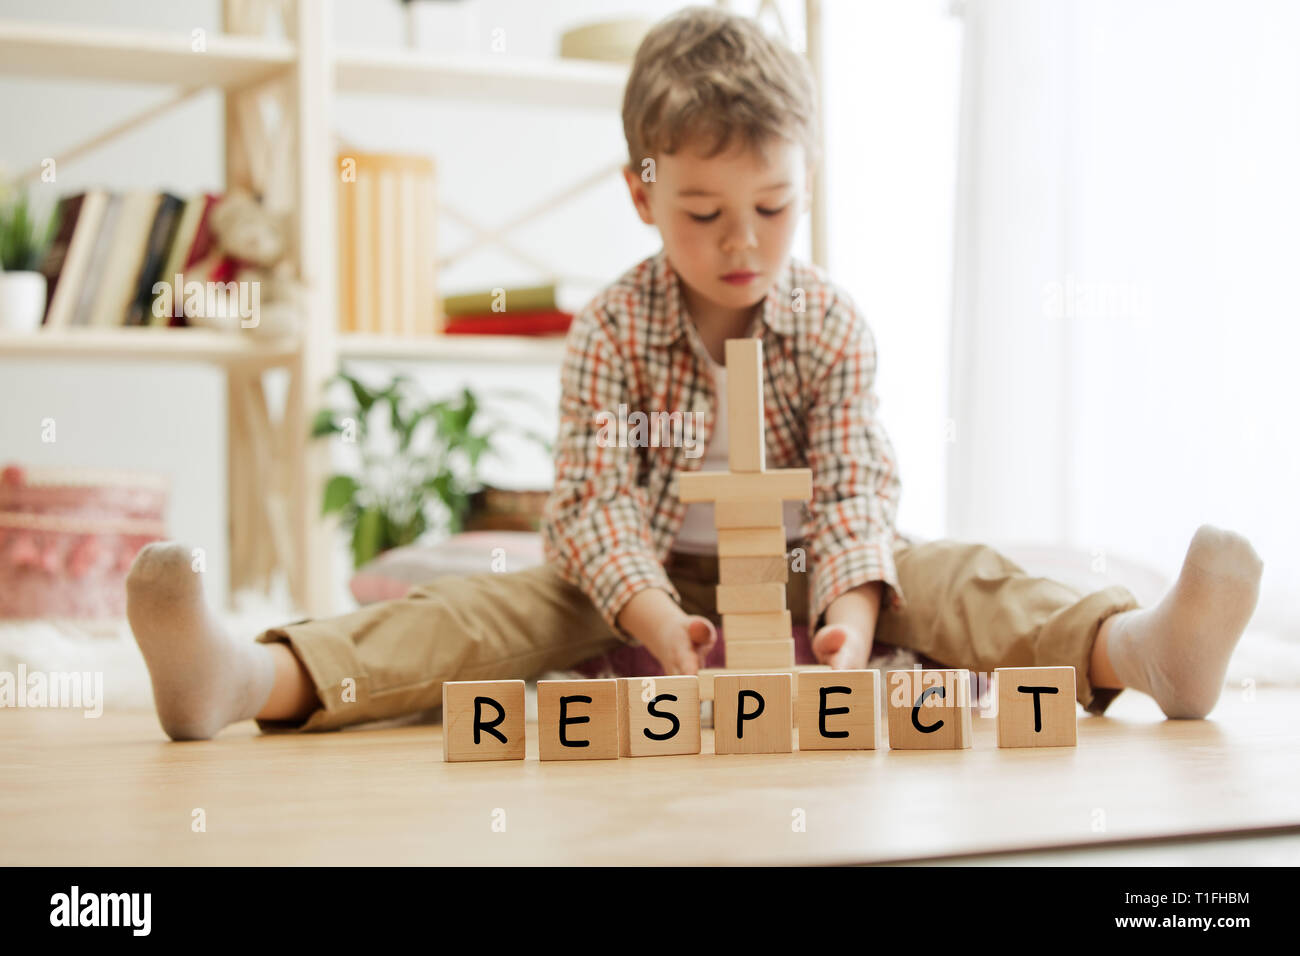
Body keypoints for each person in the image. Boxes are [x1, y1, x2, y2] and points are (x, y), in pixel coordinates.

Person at [126, 6, 1263, 741]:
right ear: (641, 194)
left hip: (819, 572)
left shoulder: (829, 322)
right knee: (481, 609)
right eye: (703, 213)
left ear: (803, 185)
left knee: (960, 574)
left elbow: (862, 482)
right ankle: (252, 678)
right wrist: (655, 618)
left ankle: (1143, 649)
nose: (742, 243)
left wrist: (855, 615)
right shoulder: (615, 325)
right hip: (649, 576)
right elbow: (591, 502)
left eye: (773, 209)